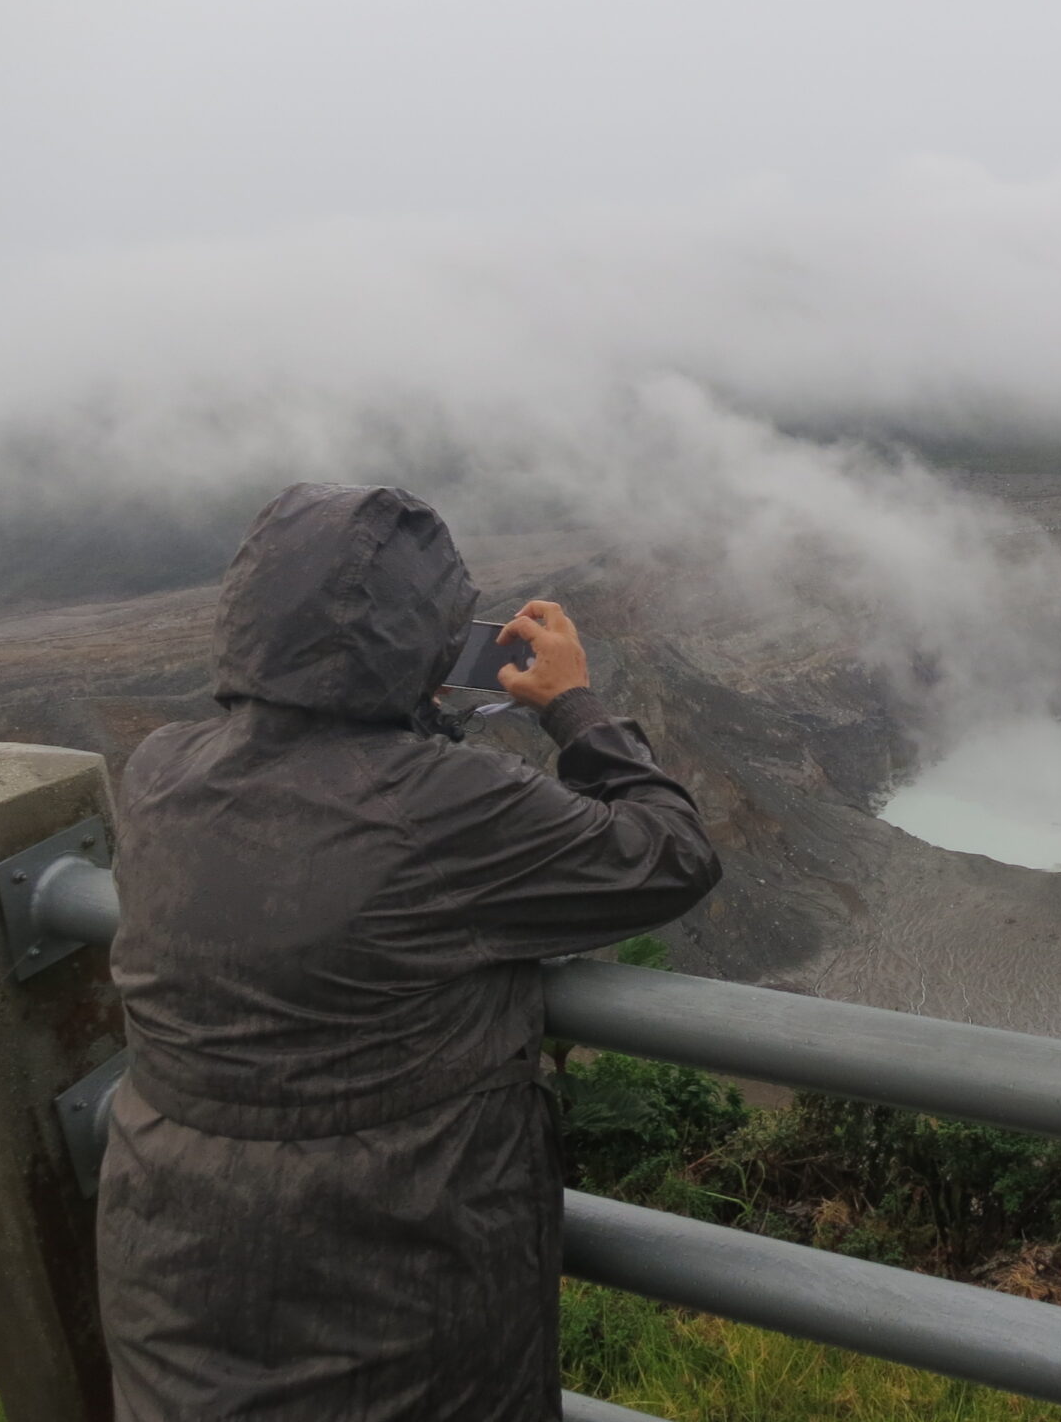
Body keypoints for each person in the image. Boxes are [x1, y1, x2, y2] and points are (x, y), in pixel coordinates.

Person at [97, 482, 721, 1421]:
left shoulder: (158, 771)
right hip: (402, 1303)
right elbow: (670, 855)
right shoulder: (446, 805)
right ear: (426, 640)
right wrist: (574, 707)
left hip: (176, 1286)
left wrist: (410, 713)